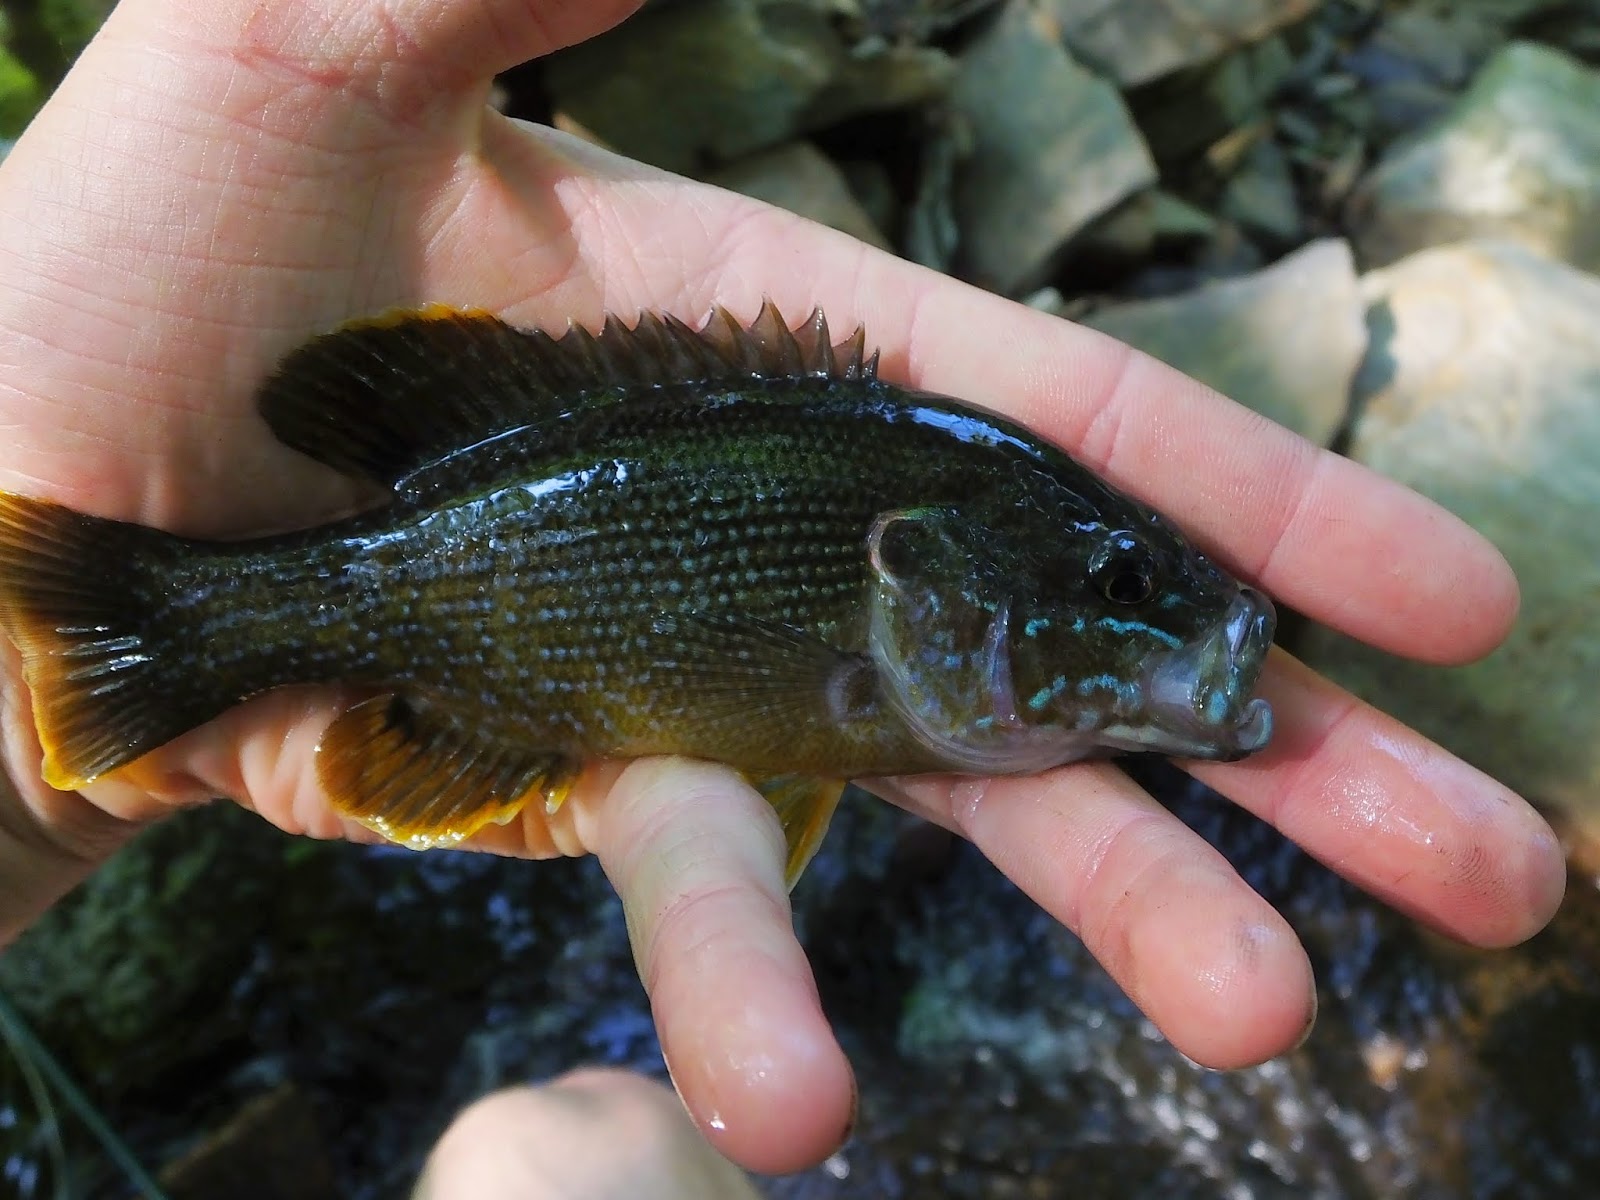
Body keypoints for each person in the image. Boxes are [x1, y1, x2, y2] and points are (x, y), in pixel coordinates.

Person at [0, 0, 1564, 1193]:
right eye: (1119, 581)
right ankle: (140, 632)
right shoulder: (908, 556)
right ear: (922, 582)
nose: (1180, 623)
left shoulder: (937, 544)